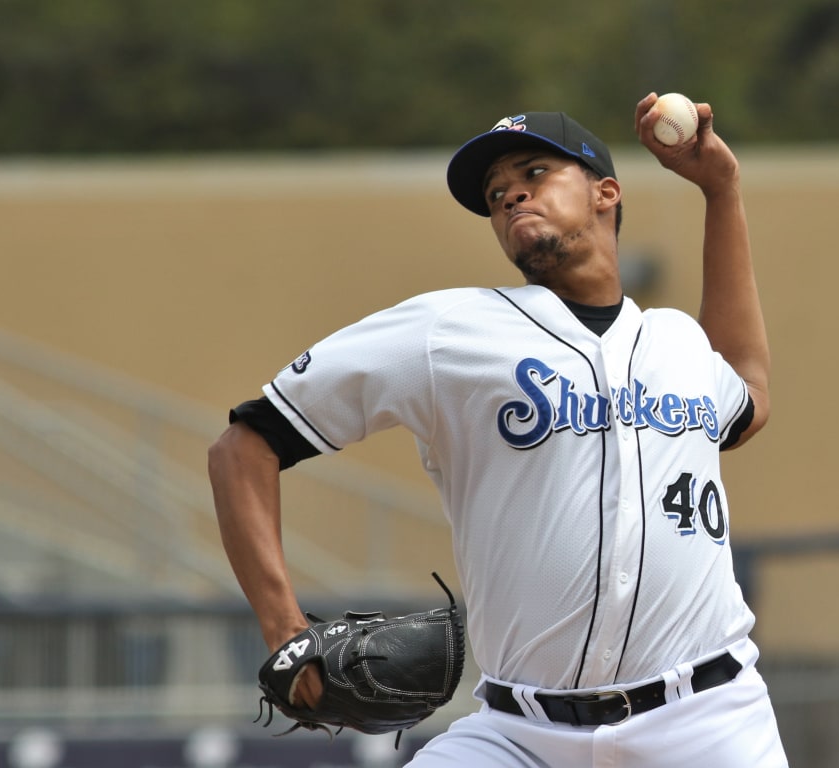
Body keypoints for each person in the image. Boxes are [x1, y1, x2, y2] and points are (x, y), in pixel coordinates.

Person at [209, 93, 787, 766]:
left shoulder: (678, 342)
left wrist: (721, 190)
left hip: (706, 722)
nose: (511, 196)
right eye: (495, 193)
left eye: (534, 173)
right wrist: (285, 630)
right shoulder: (447, 331)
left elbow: (748, 391)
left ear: (606, 192)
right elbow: (242, 448)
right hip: (518, 734)